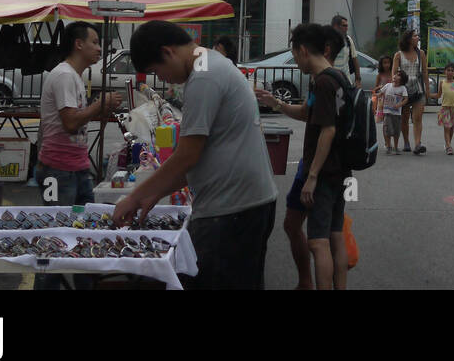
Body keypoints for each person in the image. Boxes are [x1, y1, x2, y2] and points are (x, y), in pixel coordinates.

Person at [117, 22, 277, 290]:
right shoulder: (211, 64)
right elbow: (190, 161)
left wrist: (133, 197)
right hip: (246, 204)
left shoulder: (203, 76)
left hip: (231, 210)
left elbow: (186, 156)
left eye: (157, 71)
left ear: (168, 52)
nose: (163, 79)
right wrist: (151, 196)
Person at [257, 26, 349, 288]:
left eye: (295, 55)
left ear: (304, 50)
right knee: (334, 235)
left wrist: (312, 176)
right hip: (339, 168)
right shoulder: (337, 78)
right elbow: (310, 114)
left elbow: (328, 130)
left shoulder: (323, 82)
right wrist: (277, 103)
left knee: (318, 241)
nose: (295, 62)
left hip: (323, 171)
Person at [35, 22, 120, 289]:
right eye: (94, 42)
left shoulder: (75, 77)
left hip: (77, 169)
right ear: (78, 44)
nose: (99, 48)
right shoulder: (63, 76)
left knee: (85, 236)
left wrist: (99, 111)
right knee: (56, 235)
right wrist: (100, 105)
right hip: (57, 171)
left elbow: (76, 122)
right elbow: (70, 122)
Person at [396, 30, 427, 154]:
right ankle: (406, 142)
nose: (418, 38)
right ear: (408, 39)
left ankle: (418, 144)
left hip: (418, 88)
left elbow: (424, 72)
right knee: (404, 117)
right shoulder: (398, 55)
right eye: (415, 36)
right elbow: (394, 73)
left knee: (417, 118)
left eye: (417, 36)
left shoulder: (421, 54)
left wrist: (427, 91)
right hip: (404, 90)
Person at [433, 65, 454, 154]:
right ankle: (449, 146)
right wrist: (429, 94)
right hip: (445, 108)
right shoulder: (442, 83)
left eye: (452, 70)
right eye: (448, 70)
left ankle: (448, 143)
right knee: (447, 127)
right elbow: (438, 95)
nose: (450, 72)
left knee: (452, 127)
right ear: (445, 72)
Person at [378, 71, 409, 155]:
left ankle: (395, 147)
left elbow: (406, 99)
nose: (395, 76)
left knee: (396, 131)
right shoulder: (388, 86)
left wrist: (400, 104)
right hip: (387, 112)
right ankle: (388, 146)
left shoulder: (403, 88)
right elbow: (380, 93)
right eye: (395, 74)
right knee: (387, 130)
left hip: (397, 114)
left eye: (398, 75)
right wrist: (378, 97)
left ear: (402, 80)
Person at [330, 14, 361, 87]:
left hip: (346, 82)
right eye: (344, 25)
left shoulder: (348, 40)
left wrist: (358, 80)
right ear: (335, 26)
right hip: (330, 80)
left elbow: (355, 60)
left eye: (347, 25)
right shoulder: (326, 40)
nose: (347, 28)